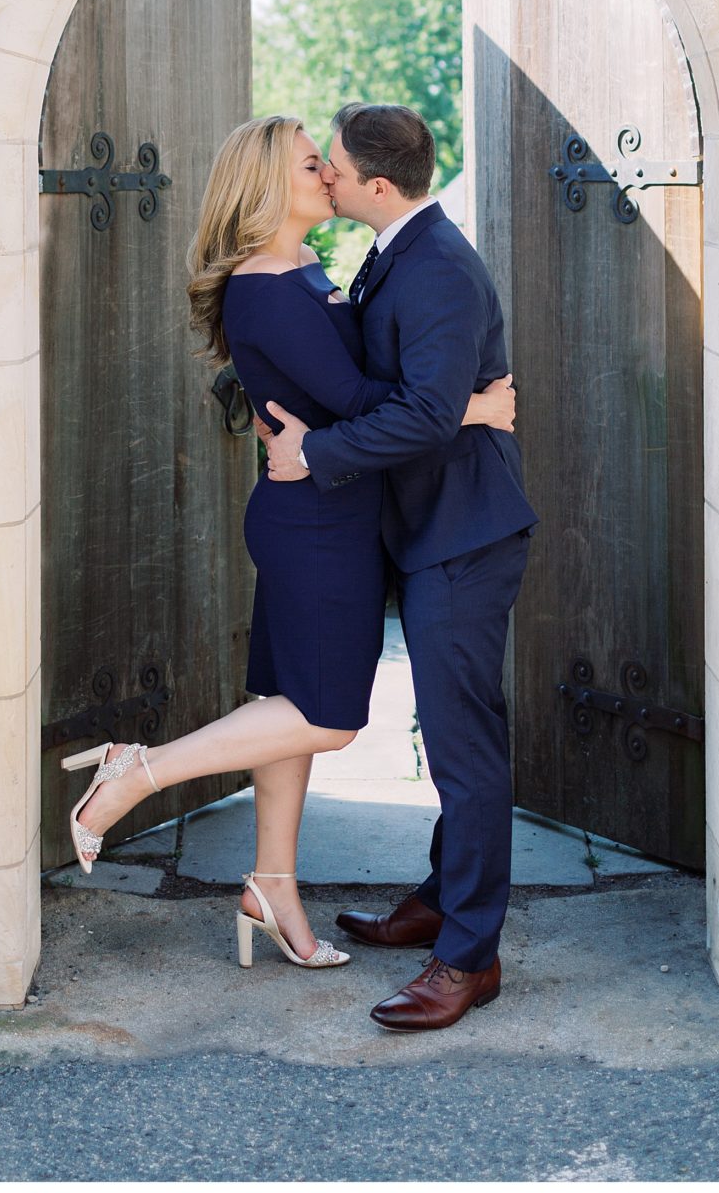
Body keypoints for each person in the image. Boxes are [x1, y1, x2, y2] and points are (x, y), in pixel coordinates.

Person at [62, 113, 517, 973]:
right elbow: (357, 400)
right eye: (312, 165)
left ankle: (273, 887)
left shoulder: (307, 268)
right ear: (269, 186)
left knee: (286, 716)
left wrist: (417, 413)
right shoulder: (265, 287)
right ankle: (136, 773)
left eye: (328, 163)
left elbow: (360, 393)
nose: (326, 176)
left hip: (333, 514)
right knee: (328, 720)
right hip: (314, 527)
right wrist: (469, 407)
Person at [263, 101, 537, 1031]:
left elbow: (424, 413)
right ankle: (437, 896)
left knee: (464, 750)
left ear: (378, 185)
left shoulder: (440, 271)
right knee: (450, 738)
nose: (324, 176)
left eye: (333, 166)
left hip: (461, 534)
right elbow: (420, 394)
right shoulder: (391, 251)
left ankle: (467, 957)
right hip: (422, 527)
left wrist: (316, 452)